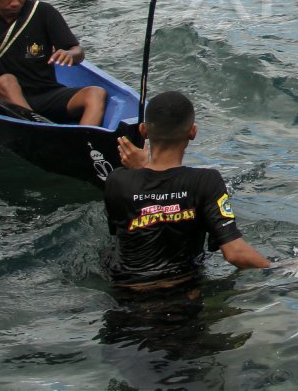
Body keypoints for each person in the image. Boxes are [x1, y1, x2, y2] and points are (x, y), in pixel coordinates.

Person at [105, 91, 270, 290]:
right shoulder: (206, 181)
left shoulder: (117, 180)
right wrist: (284, 268)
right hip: (183, 298)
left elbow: (129, 230)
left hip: (126, 301)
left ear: (143, 130)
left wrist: (141, 170)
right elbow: (235, 253)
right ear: (193, 132)